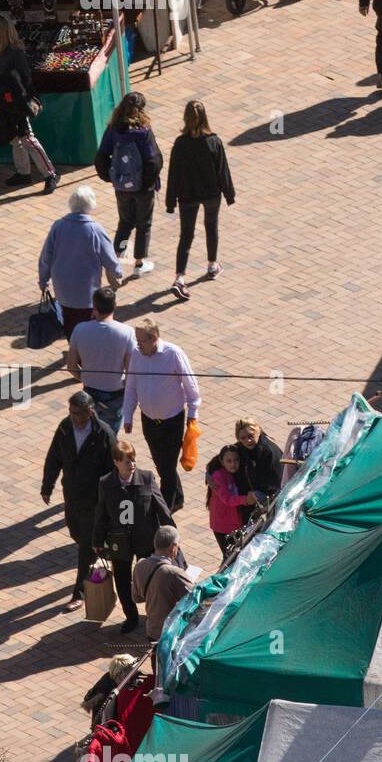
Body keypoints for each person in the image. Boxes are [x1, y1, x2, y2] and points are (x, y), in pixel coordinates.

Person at [41, 389, 116, 608]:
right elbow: (54, 456)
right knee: (75, 532)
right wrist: (48, 484)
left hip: (94, 502)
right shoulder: (65, 428)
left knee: (85, 545)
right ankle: (102, 551)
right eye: (72, 412)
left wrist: (108, 503)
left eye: (78, 414)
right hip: (72, 497)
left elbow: (112, 471)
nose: (74, 418)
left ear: (90, 412)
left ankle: (79, 593)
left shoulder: (103, 434)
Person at [91, 438, 172, 636]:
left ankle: (153, 613)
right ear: (116, 462)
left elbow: (161, 507)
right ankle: (131, 617)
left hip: (145, 538)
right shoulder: (106, 483)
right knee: (122, 579)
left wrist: (171, 534)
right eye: (127, 461)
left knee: (151, 578)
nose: (132, 464)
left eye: (133, 459)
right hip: (120, 541)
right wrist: (97, 540)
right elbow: (101, 514)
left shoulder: (146, 478)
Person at [122, 316, 200, 513]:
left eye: (141, 341)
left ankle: (164, 510)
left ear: (154, 337)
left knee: (166, 469)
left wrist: (193, 412)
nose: (138, 345)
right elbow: (131, 386)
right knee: (161, 464)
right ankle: (178, 497)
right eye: (136, 341)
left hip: (172, 421)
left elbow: (190, 385)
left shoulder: (173, 354)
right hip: (148, 420)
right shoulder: (136, 355)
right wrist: (128, 415)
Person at [165, 99, 235, 302]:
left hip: (187, 195)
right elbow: (223, 170)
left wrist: (171, 202)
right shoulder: (213, 141)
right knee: (211, 227)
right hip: (211, 194)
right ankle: (212, 265)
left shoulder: (180, 144)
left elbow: (173, 174)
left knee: (186, 236)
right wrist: (229, 194)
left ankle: (179, 277)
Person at [38, 186, 125, 342]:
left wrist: (43, 279)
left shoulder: (58, 226)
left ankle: (74, 348)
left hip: (63, 288)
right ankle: (82, 355)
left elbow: (46, 256)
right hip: (87, 291)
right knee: (88, 325)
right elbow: (109, 256)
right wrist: (117, 272)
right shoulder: (94, 229)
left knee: (69, 321)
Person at [94, 91, 164, 280]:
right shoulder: (143, 131)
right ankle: (139, 264)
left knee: (125, 223)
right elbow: (153, 160)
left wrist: (113, 179)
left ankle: (115, 260)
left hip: (122, 187)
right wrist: (146, 183)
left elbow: (101, 157)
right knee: (143, 225)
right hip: (143, 189)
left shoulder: (113, 130)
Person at [0, 13, 58, 192]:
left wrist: (20, 94)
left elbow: (25, 78)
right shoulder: (5, 51)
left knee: (27, 137)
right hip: (8, 103)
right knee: (16, 139)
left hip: (17, 102)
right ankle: (23, 172)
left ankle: (50, 174)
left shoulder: (13, 52)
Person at [66, 286, 134, 433]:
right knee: (110, 438)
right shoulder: (127, 332)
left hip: (89, 393)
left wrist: (84, 377)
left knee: (88, 436)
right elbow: (130, 371)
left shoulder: (80, 329)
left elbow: (71, 366)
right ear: (115, 306)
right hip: (115, 394)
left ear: (94, 306)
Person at [131, 525, 195, 643]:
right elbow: (195, 599)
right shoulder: (173, 572)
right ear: (173, 547)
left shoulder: (140, 565)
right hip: (173, 632)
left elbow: (136, 598)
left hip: (152, 630)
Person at [206, 444, 257, 558]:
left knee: (234, 556)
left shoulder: (234, 473)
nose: (233, 464)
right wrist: (247, 500)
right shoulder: (218, 476)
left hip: (234, 523)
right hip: (222, 526)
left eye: (236, 460)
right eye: (228, 461)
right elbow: (227, 499)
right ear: (221, 461)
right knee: (230, 557)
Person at [81, 654, 138, 730]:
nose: (136, 677)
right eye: (132, 675)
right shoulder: (106, 694)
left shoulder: (112, 677)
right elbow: (103, 720)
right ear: (121, 676)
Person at [234, 418, 283, 503]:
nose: (247, 441)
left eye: (251, 436)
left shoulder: (269, 452)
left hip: (272, 497)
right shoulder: (242, 446)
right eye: (243, 438)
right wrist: (211, 470)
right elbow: (224, 457)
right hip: (250, 494)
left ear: (259, 431)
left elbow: (278, 480)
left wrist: (257, 494)